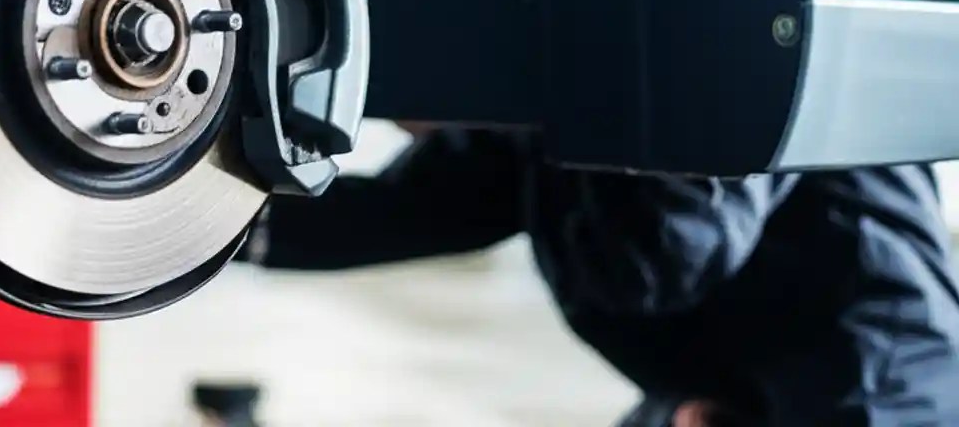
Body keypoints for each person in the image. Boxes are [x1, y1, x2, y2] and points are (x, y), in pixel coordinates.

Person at [251, 127, 959, 426]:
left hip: (868, 388)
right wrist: (220, 226)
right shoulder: (552, 112)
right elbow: (418, 207)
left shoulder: (695, 64)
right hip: (745, 384)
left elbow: (666, 250)